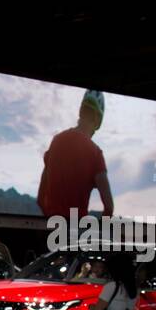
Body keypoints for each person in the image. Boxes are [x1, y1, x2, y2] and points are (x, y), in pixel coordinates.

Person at [37, 89, 114, 220]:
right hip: (76, 233)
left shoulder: (56, 141)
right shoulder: (95, 153)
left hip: (51, 231)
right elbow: (109, 207)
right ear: (97, 120)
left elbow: (40, 199)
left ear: (81, 112)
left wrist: (51, 223)